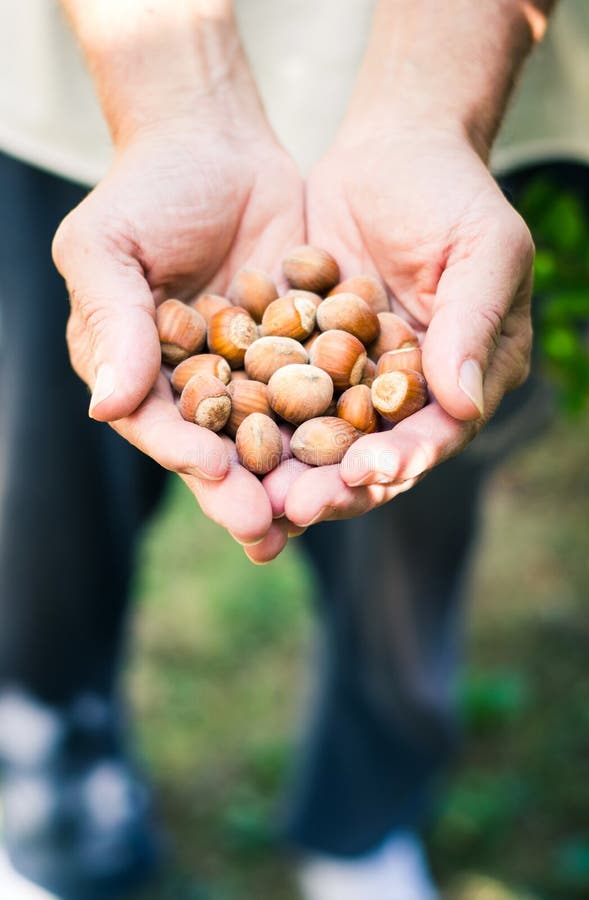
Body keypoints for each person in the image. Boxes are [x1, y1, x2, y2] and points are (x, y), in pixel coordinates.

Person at [0, 0, 583, 897]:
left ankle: (364, 821)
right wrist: (174, 98)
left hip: (462, 133)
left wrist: (429, 106)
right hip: (84, 106)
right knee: (39, 536)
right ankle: (52, 815)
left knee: (405, 559)